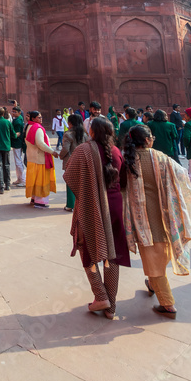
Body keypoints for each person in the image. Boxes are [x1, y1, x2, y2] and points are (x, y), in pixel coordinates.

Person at [121, 124, 191, 318]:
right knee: (156, 257)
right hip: (163, 218)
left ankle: (168, 304)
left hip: (141, 221)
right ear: (147, 140)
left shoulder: (127, 159)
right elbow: (183, 176)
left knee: (153, 261)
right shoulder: (160, 157)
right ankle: (153, 284)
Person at [64, 116, 130, 318]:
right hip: (115, 207)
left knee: (88, 251)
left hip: (91, 207)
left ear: (92, 132)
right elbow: (125, 179)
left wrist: (87, 192)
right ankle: (111, 307)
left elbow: (70, 175)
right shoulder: (117, 151)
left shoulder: (83, 150)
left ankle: (101, 295)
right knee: (113, 255)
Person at [24, 110, 58, 207]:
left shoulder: (29, 126)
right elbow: (40, 144)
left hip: (32, 157)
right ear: (33, 118)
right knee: (41, 180)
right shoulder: (37, 128)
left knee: (35, 179)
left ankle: (34, 198)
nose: (41, 119)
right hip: (40, 158)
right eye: (39, 117)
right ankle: (40, 201)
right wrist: (52, 151)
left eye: (41, 117)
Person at [60, 113, 89, 211]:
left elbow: (65, 149)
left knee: (70, 183)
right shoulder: (85, 134)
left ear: (70, 123)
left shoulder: (68, 134)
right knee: (81, 183)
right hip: (83, 160)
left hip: (71, 161)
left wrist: (60, 156)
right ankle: (81, 204)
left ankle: (70, 205)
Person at [10, 105, 26, 187]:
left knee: (18, 161)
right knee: (17, 162)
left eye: (15, 112)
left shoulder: (18, 121)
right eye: (12, 111)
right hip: (17, 142)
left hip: (17, 142)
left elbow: (16, 133)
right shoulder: (17, 119)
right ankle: (19, 178)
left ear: (19, 113)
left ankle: (23, 180)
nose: (13, 113)